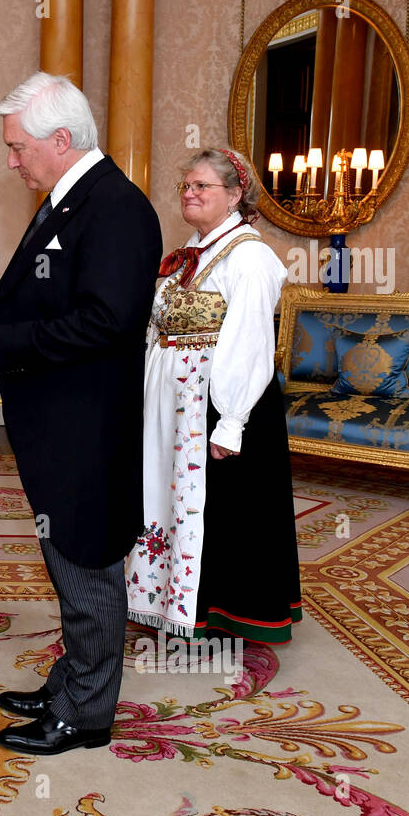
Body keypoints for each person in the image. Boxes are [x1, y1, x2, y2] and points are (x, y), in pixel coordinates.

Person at [0, 72, 161, 756]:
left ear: (60, 140)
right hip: (61, 422)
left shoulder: (116, 209)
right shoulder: (77, 199)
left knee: (87, 563)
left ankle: (88, 714)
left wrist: (2, 340)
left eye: (17, 147)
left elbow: (108, 321)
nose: (11, 160)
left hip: (87, 428)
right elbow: (56, 304)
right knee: (67, 560)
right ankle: (72, 682)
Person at [126, 147, 301, 643]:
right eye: (186, 185)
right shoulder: (193, 251)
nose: (190, 193)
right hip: (171, 403)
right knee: (163, 495)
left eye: (202, 186)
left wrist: (230, 421)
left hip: (217, 406)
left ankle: (217, 613)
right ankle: (166, 601)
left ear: (235, 194)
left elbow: (249, 343)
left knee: (219, 509)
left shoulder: (249, 258)